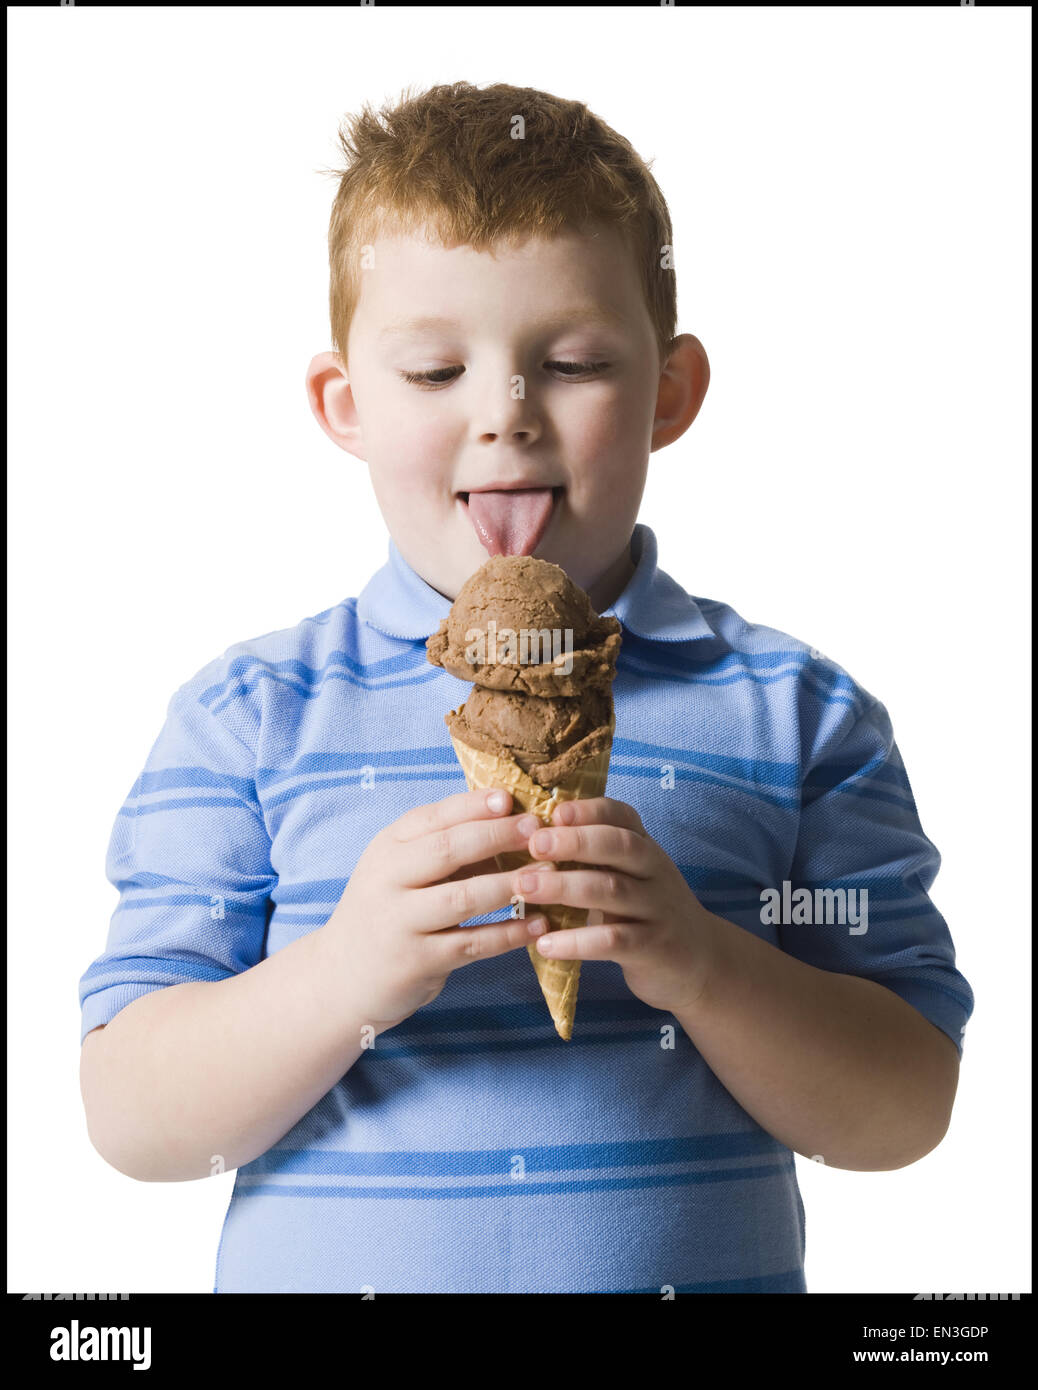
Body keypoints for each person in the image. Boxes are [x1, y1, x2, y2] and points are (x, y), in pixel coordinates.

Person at [78, 81, 973, 1294]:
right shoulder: (253, 714)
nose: (505, 417)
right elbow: (136, 1120)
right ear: (346, 405)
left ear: (670, 392)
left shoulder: (796, 712)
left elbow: (903, 1106)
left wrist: (703, 965)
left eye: (570, 361)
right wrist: (345, 973)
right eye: (436, 369)